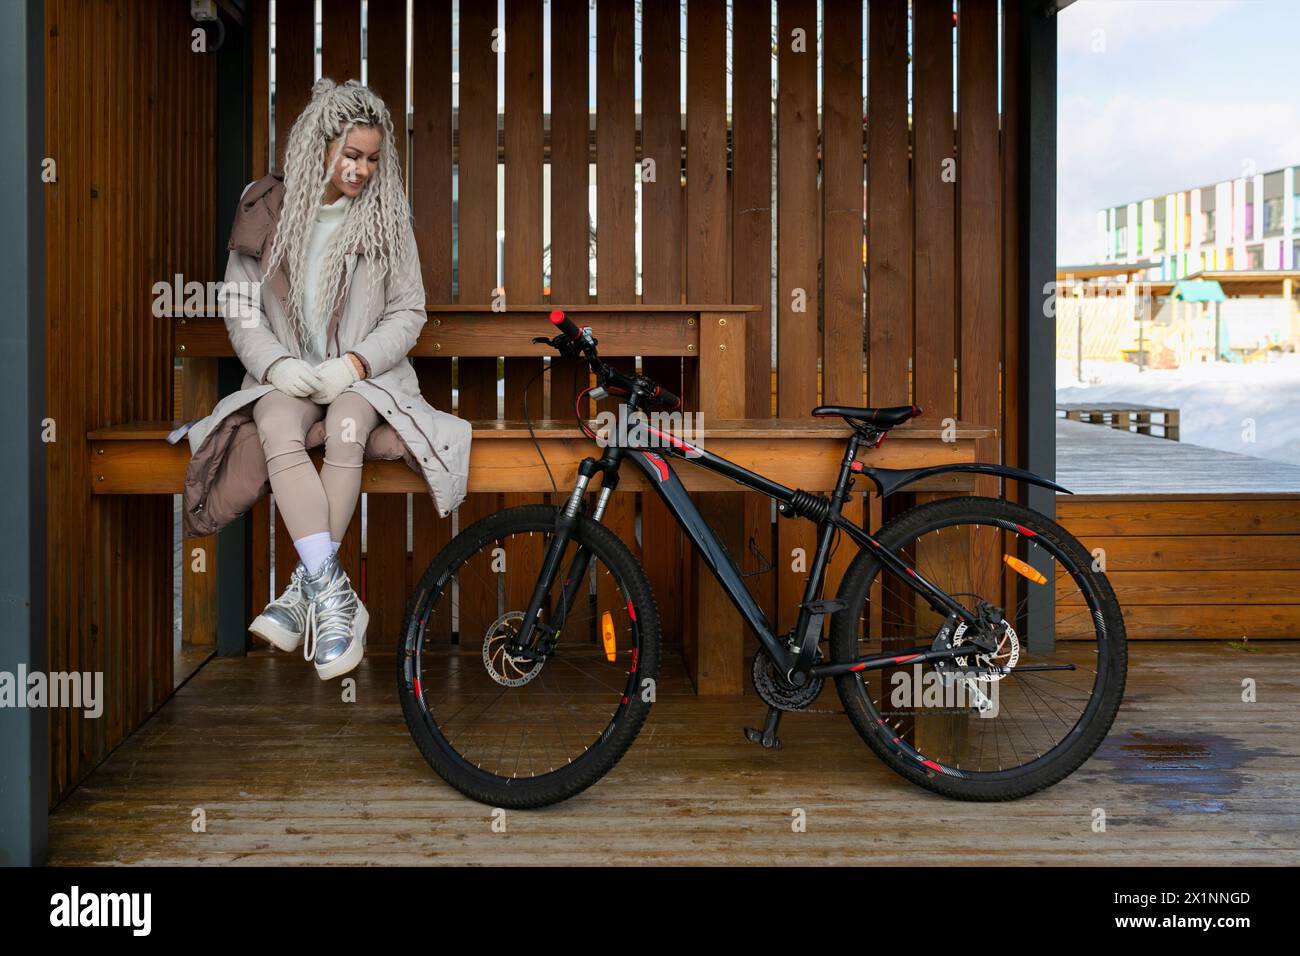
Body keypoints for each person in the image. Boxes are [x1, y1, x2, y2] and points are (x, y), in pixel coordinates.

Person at [181, 78, 470, 679]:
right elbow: (241, 307)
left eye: (371, 158)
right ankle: (334, 598)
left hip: (366, 380)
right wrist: (277, 365)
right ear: (318, 144)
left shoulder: (387, 221)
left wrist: (355, 364)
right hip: (284, 374)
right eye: (350, 155)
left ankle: (304, 593)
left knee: (345, 426)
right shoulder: (265, 210)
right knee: (273, 420)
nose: (361, 169)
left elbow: (408, 311)